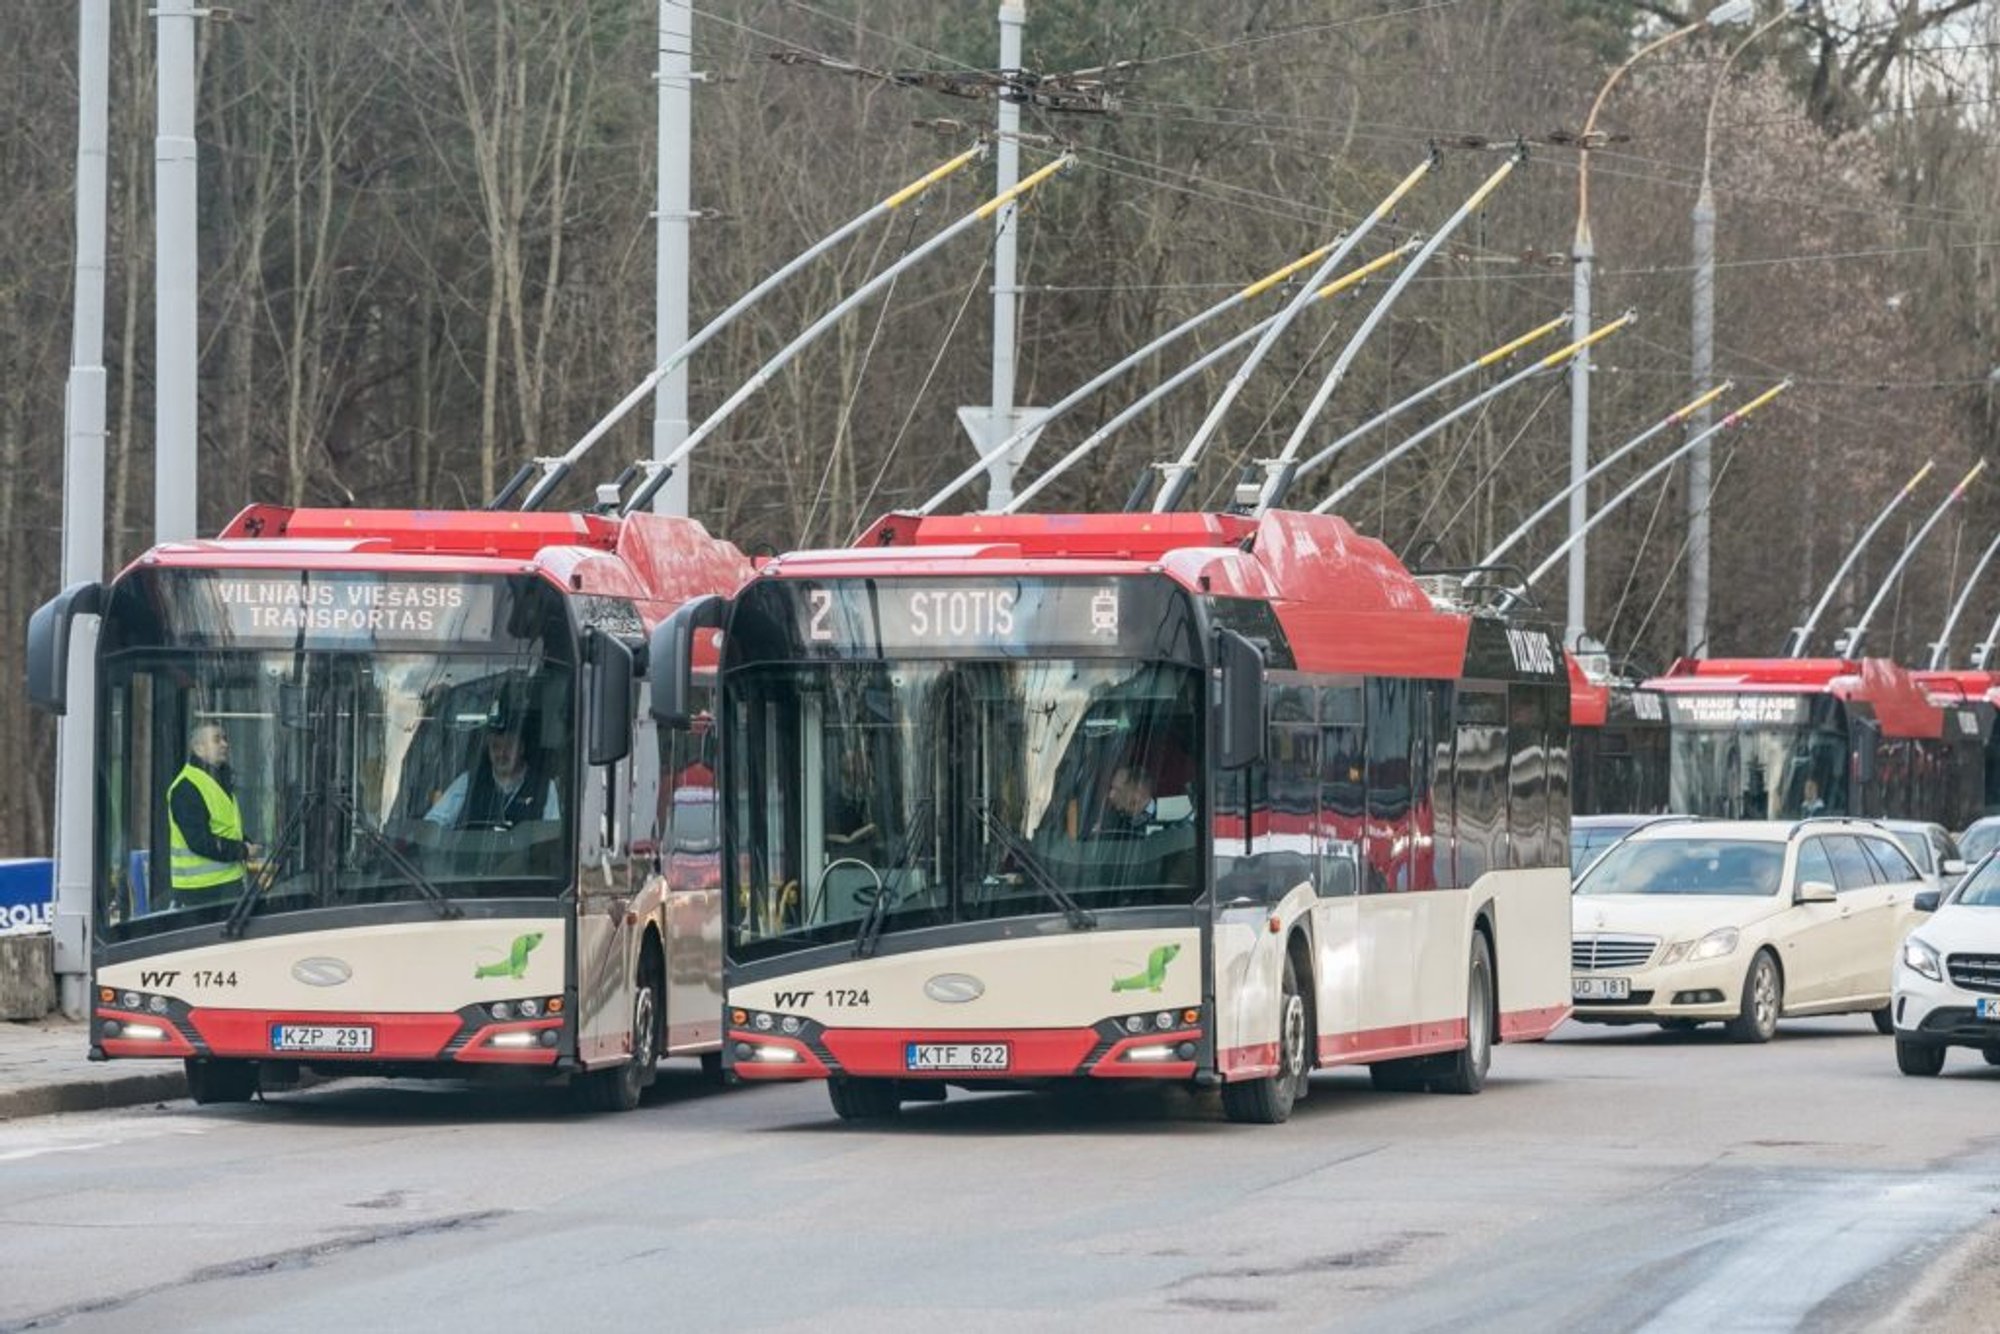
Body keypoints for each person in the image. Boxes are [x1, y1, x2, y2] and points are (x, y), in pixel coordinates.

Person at [167, 721, 263, 908]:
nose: (225, 745)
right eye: (217, 739)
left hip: (225, 885)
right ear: (199, 748)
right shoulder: (186, 787)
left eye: (225, 739)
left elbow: (225, 827)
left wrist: (246, 842)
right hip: (201, 892)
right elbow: (199, 841)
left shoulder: (218, 779)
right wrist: (241, 850)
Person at [426, 717, 558, 829]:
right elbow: (434, 823)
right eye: (495, 746)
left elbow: (552, 835)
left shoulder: (545, 787)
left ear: (521, 748)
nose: (502, 753)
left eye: (509, 746)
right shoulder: (468, 782)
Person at [1098, 764, 1157, 833]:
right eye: (1111, 789)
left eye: (1118, 790)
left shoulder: (1167, 815)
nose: (1110, 795)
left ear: (1138, 791)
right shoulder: (1109, 822)